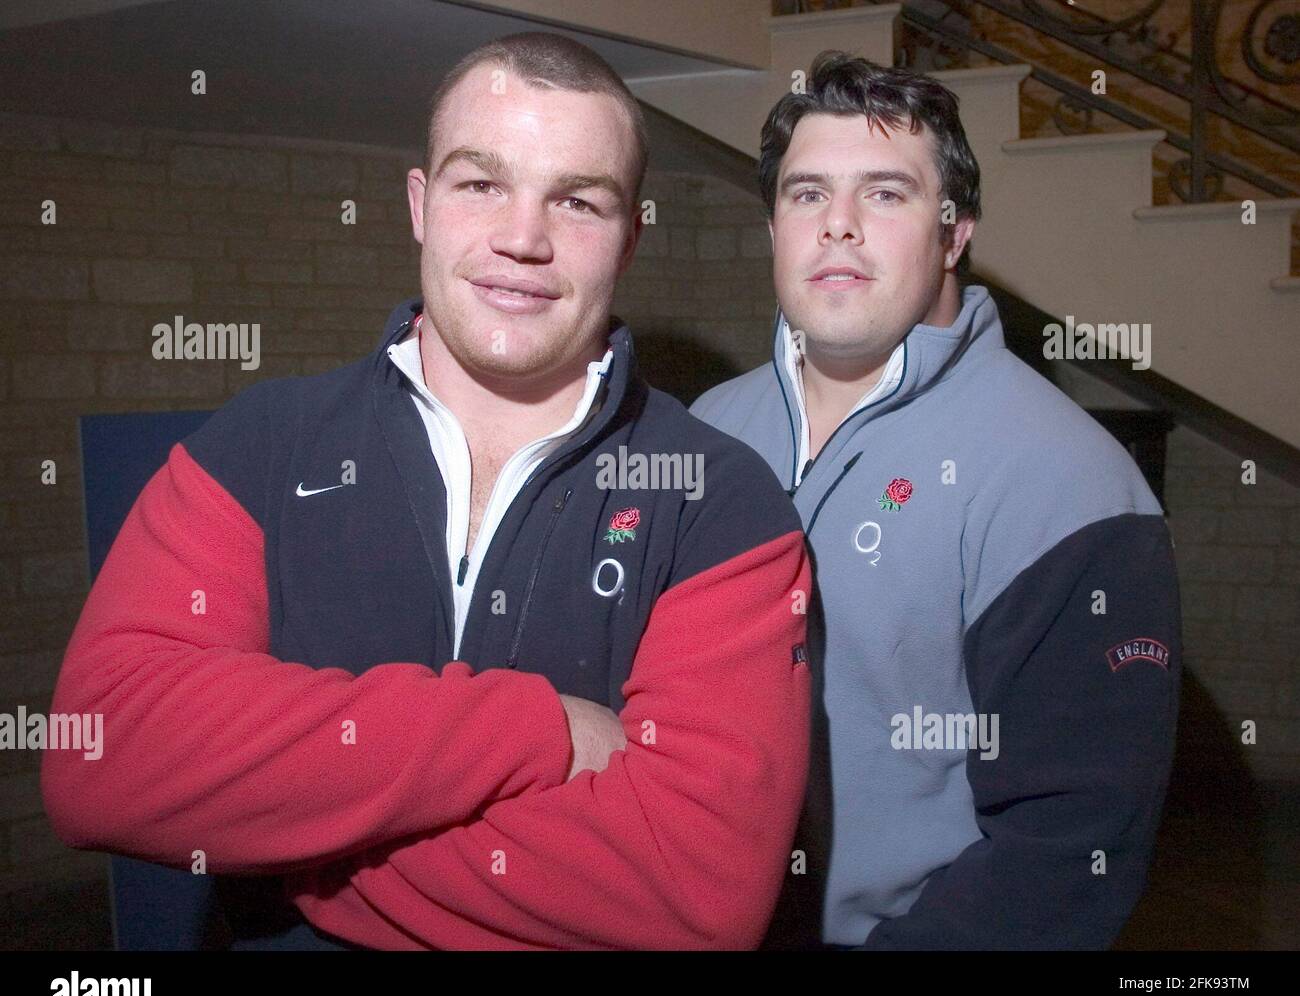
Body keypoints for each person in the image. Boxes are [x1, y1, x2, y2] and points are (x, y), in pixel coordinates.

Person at [42, 32, 812, 950]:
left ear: (631, 235)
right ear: (420, 203)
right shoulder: (259, 445)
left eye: (576, 199)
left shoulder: (722, 504)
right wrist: (539, 732)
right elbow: (105, 754)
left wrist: (286, 839)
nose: (521, 238)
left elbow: (699, 890)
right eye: (480, 182)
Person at [691, 52, 1181, 950]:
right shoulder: (706, 434)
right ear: (773, 230)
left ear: (954, 233)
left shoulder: (1069, 481)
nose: (837, 226)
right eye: (806, 195)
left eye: (885, 194)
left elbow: (1067, 855)